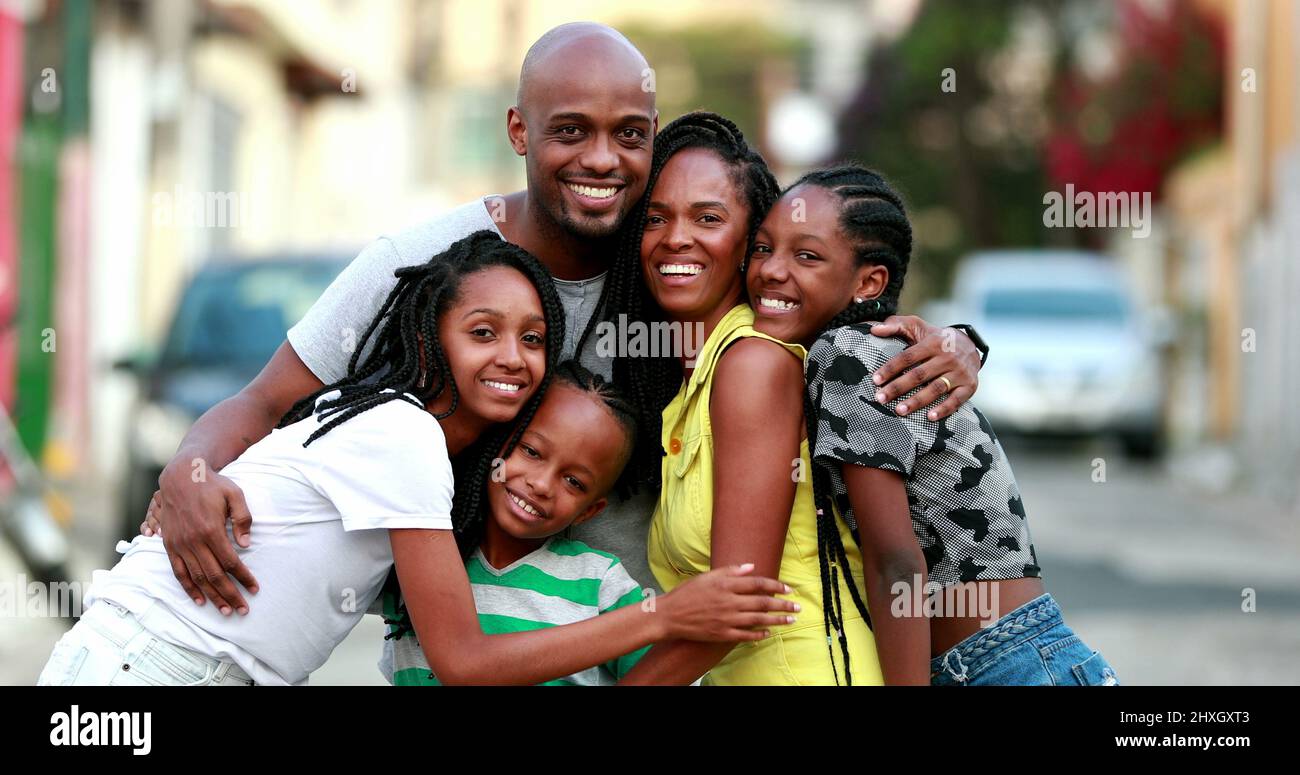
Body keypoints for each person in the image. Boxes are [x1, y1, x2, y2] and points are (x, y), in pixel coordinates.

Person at [143, 23, 981, 623]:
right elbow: (262, 402)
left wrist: (953, 342)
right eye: (570, 131)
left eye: (630, 135)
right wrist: (186, 469)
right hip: (468, 645)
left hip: (641, 649)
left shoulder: (672, 257)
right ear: (518, 131)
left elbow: (813, 289)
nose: (602, 160)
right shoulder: (430, 263)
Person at [40, 233, 793, 686]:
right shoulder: (403, 435)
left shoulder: (417, 451)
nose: (513, 356)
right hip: (152, 664)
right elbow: (462, 662)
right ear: (431, 335)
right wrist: (665, 615)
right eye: (484, 331)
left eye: (533, 338)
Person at [608, 113, 980, 685]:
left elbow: (741, 605)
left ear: (746, 240)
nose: (674, 237)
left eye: (708, 218)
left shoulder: (754, 362)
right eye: (656, 218)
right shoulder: (695, 374)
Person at [747, 163, 1119, 686]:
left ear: (869, 282)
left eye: (806, 255)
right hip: (1011, 655)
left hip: (1001, 664)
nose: (771, 270)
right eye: (763, 248)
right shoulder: (868, 350)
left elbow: (896, 562)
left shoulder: (846, 355)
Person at [386, 362, 658, 685]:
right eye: (530, 451)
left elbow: (666, 671)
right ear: (497, 441)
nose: (541, 484)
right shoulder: (420, 559)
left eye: (573, 481)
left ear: (589, 511)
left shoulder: (599, 583)